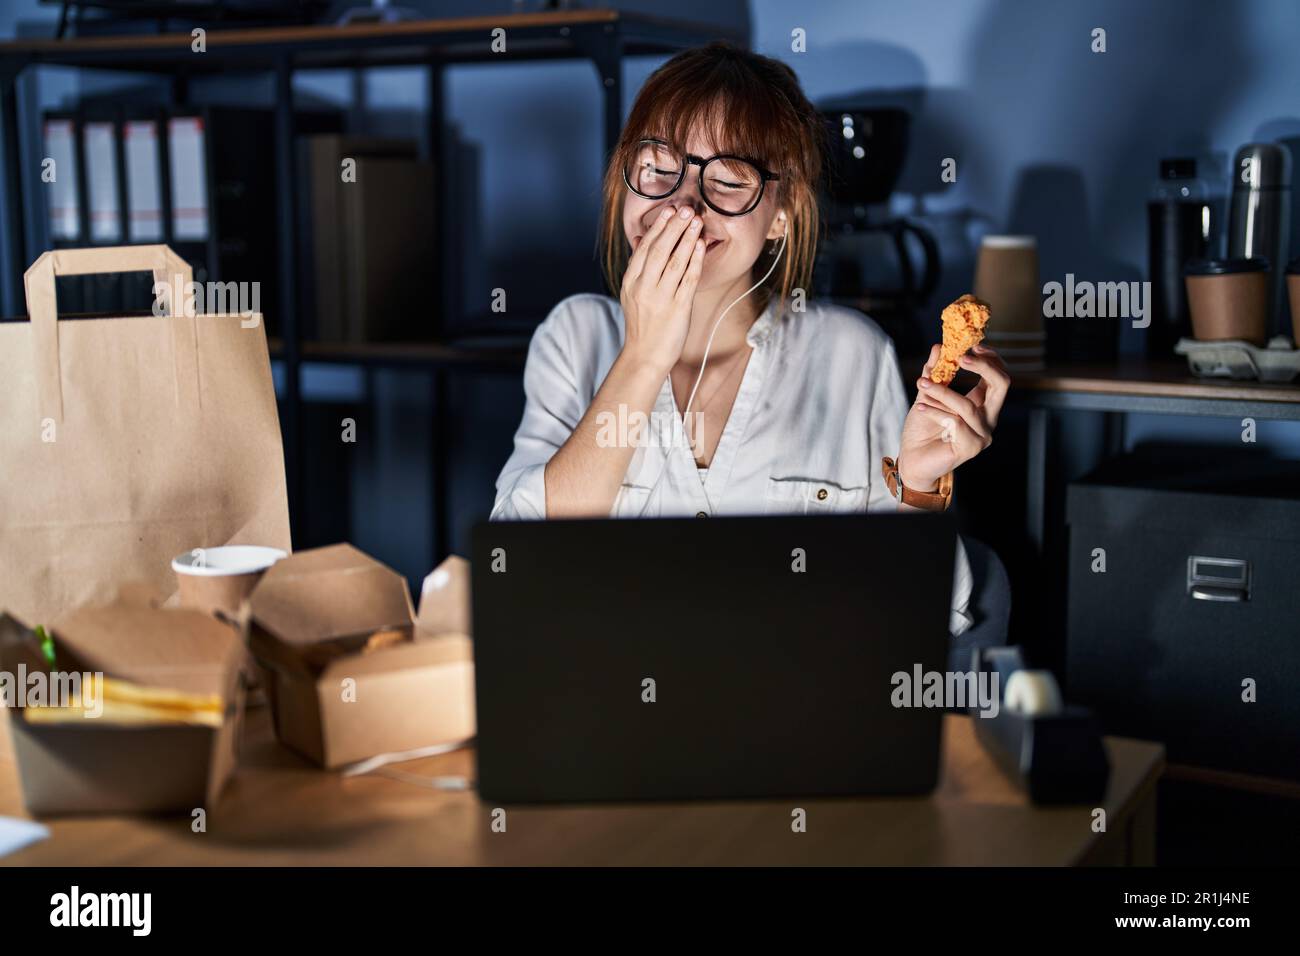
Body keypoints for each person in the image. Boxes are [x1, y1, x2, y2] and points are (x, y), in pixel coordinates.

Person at [491, 42, 1010, 636]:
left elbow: (925, 619)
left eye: (728, 180)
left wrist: (918, 485)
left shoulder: (852, 354)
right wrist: (643, 356)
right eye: (658, 167)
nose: (683, 206)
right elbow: (515, 574)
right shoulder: (574, 337)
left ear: (782, 214)